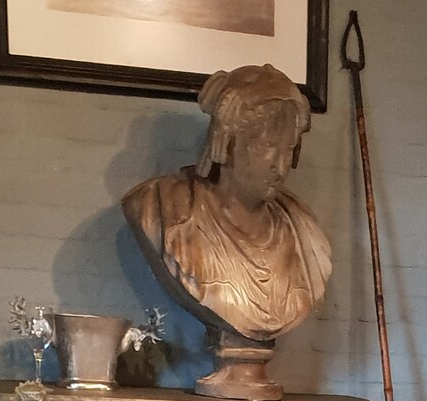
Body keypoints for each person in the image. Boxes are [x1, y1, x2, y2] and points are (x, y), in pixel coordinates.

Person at [122, 63, 332, 346]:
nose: (280, 166)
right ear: (226, 141)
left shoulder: (303, 232)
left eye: (289, 149)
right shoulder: (161, 208)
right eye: (265, 146)